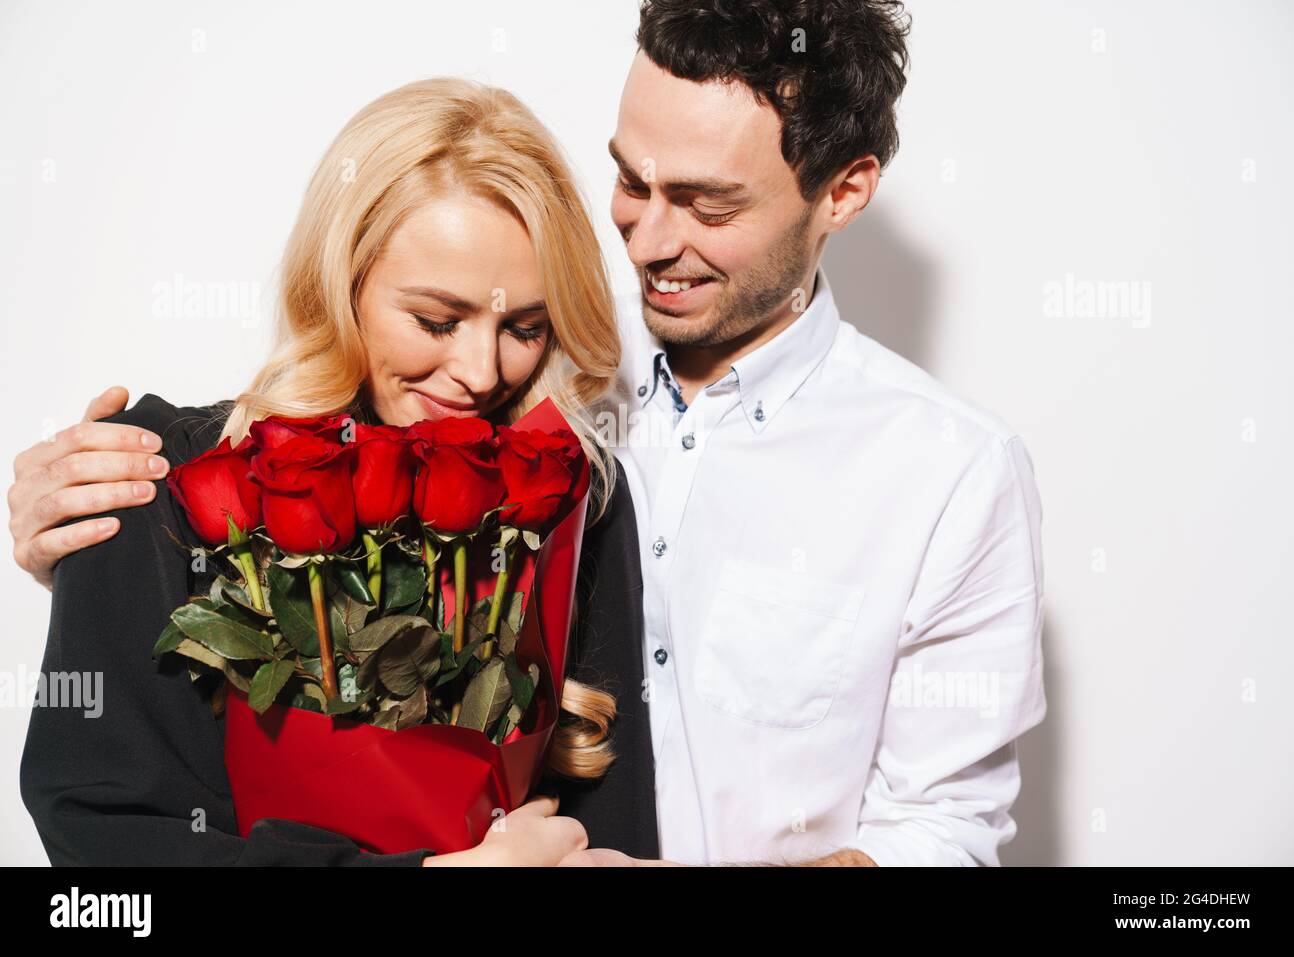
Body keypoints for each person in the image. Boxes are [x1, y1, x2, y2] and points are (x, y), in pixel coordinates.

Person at [11, 0, 1047, 867]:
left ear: (845, 191)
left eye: (705, 203)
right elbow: (108, 840)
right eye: (633, 182)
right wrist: (118, 561)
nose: (650, 236)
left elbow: (941, 833)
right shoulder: (540, 427)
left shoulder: (939, 472)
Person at [13, 77, 659, 866]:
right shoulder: (157, 474)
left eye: (524, 326)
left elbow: (610, 830)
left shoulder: (571, 500)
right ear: (340, 283)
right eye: (437, 320)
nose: (481, 371)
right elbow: (103, 850)